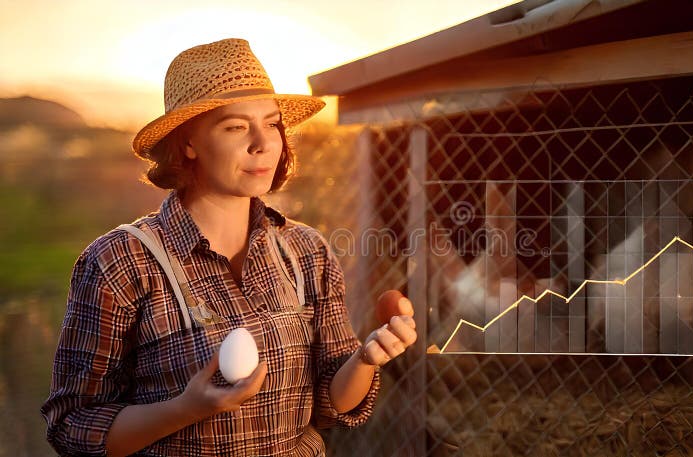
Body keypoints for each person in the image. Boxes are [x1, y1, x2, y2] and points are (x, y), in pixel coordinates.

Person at [41, 38, 417, 457]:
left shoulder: (306, 251)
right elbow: (72, 428)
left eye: (272, 123)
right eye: (236, 127)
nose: (263, 143)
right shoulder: (119, 262)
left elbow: (330, 405)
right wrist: (184, 409)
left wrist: (366, 358)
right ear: (189, 143)